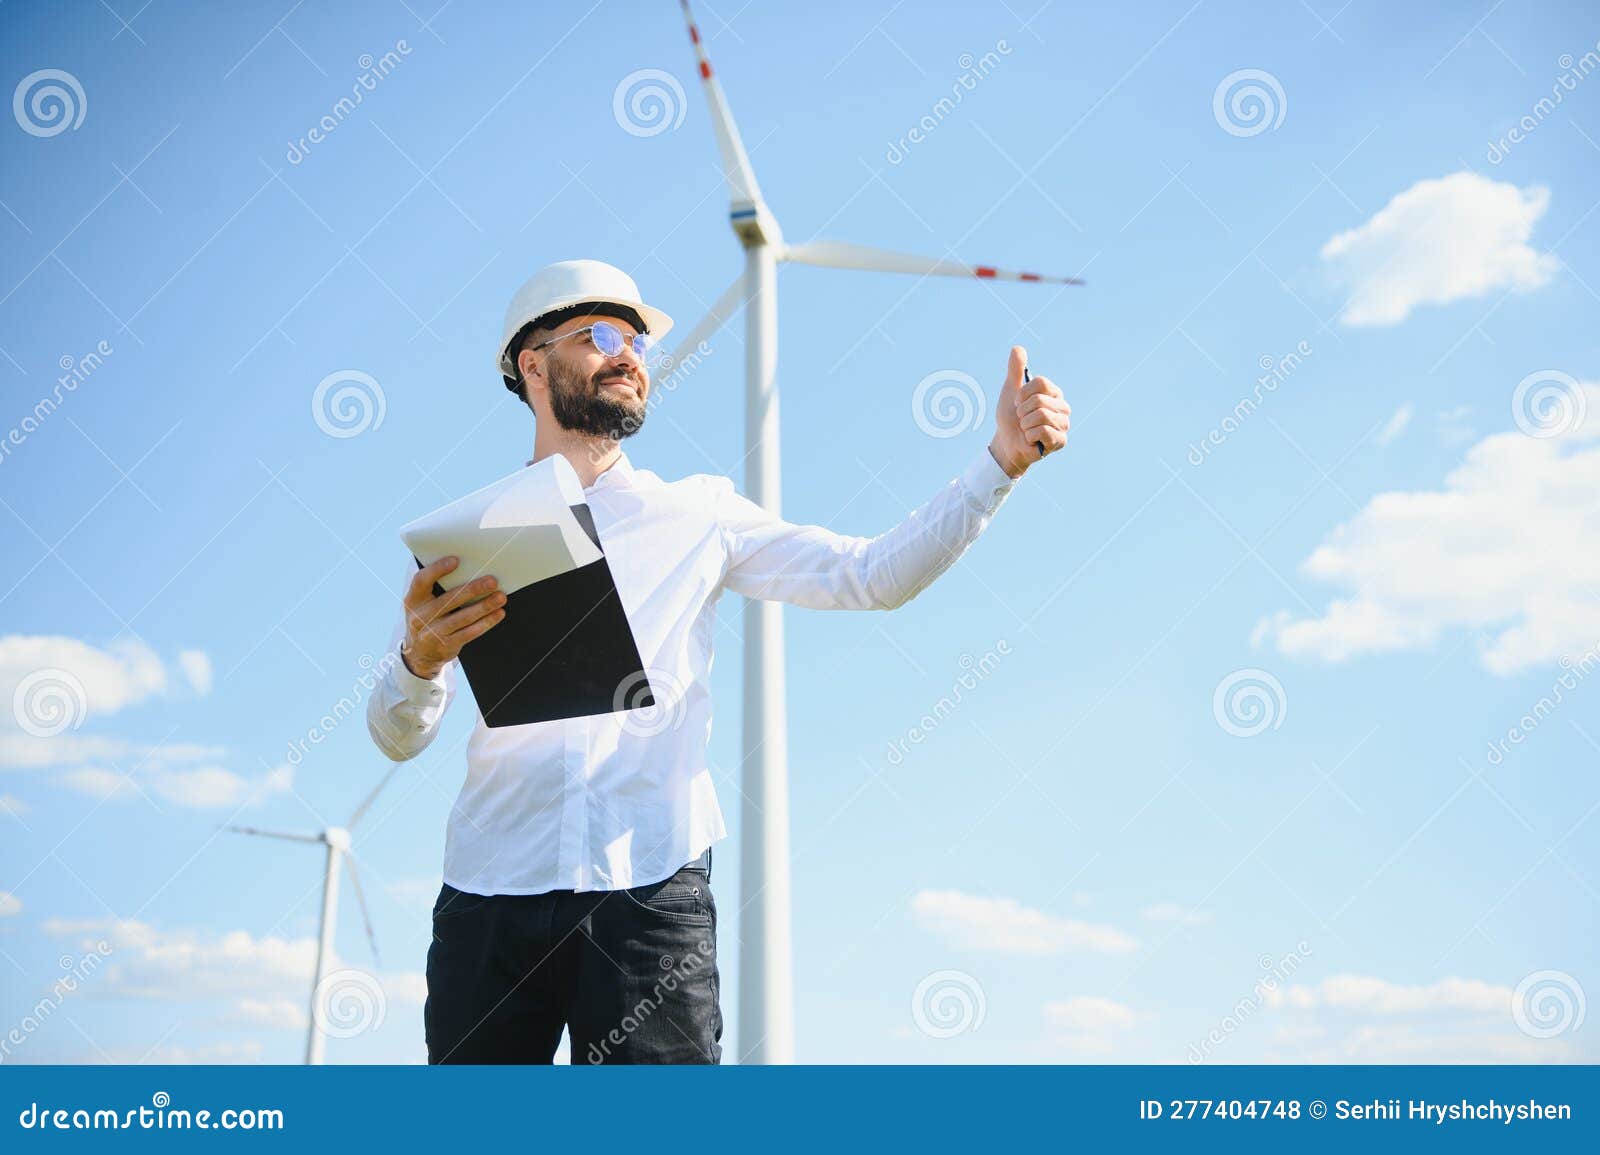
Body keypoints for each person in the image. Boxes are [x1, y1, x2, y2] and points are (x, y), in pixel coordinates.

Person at [366, 258, 1071, 1064]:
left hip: (650, 898)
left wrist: (997, 468)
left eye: (636, 339)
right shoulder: (468, 540)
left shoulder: (698, 511)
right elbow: (394, 736)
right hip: (490, 896)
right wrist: (419, 661)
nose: (629, 353)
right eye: (601, 335)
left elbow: (870, 575)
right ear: (533, 364)